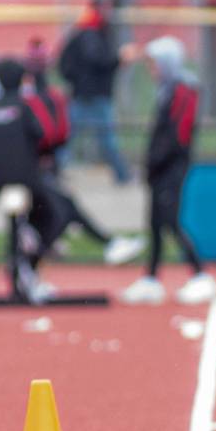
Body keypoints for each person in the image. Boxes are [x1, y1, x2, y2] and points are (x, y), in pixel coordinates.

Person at [23, 37, 145, 265]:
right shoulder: (36, 95)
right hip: (31, 167)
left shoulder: (40, 92)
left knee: (61, 208)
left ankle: (45, 247)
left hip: (36, 165)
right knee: (64, 209)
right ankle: (104, 244)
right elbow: (47, 133)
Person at [120, 37, 216, 305]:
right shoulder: (166, 90)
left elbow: (177, 136)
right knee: (155, 223)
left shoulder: (184, 91)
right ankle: (151, 278)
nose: (152, 71)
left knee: (170, 221)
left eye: (155, 65)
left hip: (172, 168)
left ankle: (200, 274)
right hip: (159, 169)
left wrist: (157, 159)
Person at [0, 59, 63, 303]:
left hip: (0, 181)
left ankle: (17, 271)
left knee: (13, 221)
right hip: (27, 179)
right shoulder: (27, 105)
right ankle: (30, 259)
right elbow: (46, 136)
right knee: (57, 214)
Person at [57, 0, 139, 184]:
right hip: (90, 95)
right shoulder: (90, 31)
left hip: (88, 94)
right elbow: (96, 60)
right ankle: (122, 174)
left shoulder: (92, 30)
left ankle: (122, 174)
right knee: (94, 137)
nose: (107, 12)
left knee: (80, 136)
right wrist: (119, 58)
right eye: (103, 8)